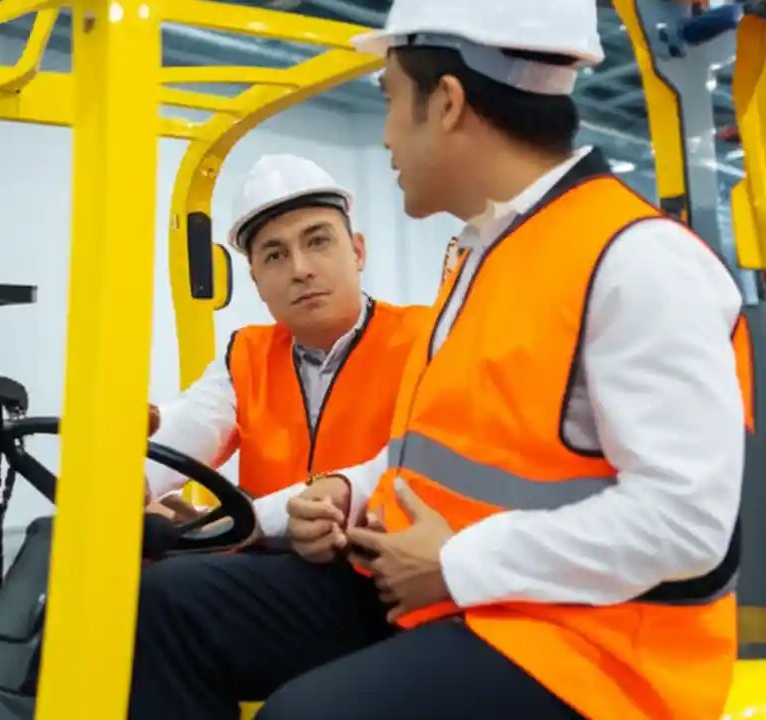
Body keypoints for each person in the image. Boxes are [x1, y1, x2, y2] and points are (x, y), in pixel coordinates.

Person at [129, 0, 757, 718]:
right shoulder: (481, 259)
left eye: (393, 101)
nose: (388, 137)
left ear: (449, 104)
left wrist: (458, 564)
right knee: (161, 611)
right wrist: (345, 490)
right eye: (274, 254)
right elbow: (431, 453)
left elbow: (687, 524)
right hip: (437, 585)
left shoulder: (637, 261)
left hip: (583, 641)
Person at [142, 152, 430, 541]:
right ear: (256, 280)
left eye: (317, 241)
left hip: (375, 572)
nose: (300, 269)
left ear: (358, 252)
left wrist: (224, 527)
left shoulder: (426, 339)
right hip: (271, 569)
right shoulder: (246, 355)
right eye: (275, 255)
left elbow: (405, 470)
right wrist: (132, 480)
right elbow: (191, 426)